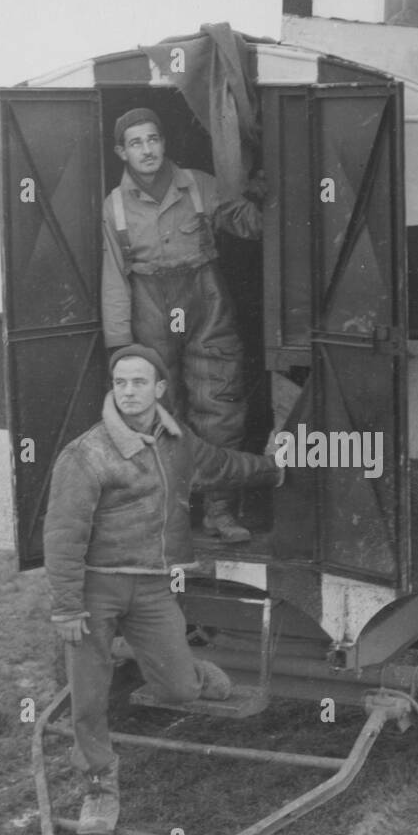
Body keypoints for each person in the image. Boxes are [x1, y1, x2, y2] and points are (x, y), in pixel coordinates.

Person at [44, 344, 283, 835]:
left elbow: (220, 466)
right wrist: (68, 607)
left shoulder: (176, 443)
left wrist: (273, 467)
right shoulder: (86, 455)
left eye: (138, 382)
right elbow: (62, 536)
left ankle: (191, 672)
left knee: (177, 690)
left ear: (158, 389)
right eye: (120, 383)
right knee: (88, 700)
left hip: (153, 588)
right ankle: (99, 789)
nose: (128, 392)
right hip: (94, 591)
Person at [101, 108, 263, 544]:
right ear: (123, 151)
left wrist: (262, 195)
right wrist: (120, 344)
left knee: (220, 401)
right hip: (150, 309)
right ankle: (171, 512)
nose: (147, 149)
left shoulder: (199, 185)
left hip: (205, 300)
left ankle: (220, 511)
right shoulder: (114, 207)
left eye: (152, 139)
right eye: (136, 143)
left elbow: (246, 223)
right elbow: (115, 275)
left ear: (164, 143)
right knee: (159, 410)